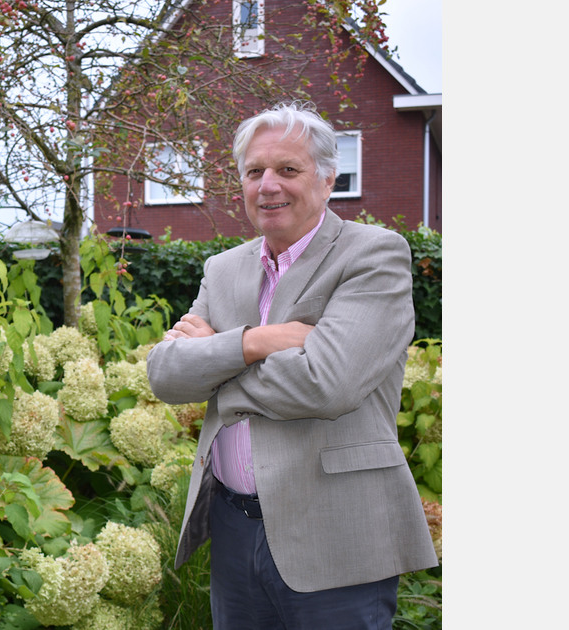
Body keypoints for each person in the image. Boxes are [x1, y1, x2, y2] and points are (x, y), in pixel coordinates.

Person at [146, 101, 437, 629]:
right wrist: (259, 342)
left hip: (337, 531)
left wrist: (217, 364)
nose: (268, 185)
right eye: (254, 172)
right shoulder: (223, 267)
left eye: (287, 169)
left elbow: (326, 384)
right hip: (234, 529)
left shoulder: (373, 255)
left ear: (328, 179)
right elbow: (166, 375)